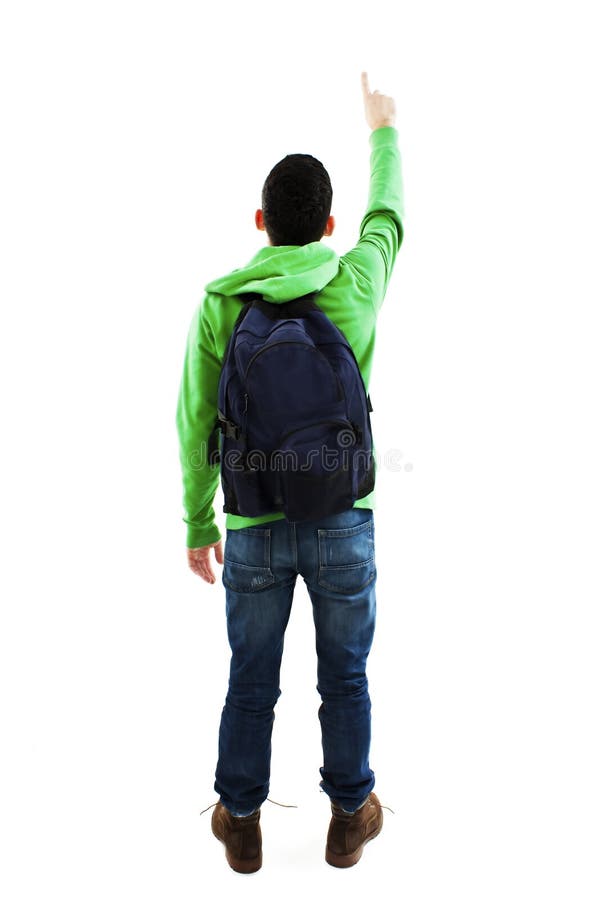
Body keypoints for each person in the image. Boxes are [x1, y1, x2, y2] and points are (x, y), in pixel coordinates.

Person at [175, 71, 404, 872]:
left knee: (251, 679)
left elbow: (194, 422)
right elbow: (389, 219)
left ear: (261, 223)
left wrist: (201, 524)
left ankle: (240, 820)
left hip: (255, 525)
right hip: (344, 520)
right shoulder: (358, 281)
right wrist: (382, 131)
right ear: (329, 224)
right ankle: (350, 814)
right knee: (345, 675)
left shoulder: (220, 303)